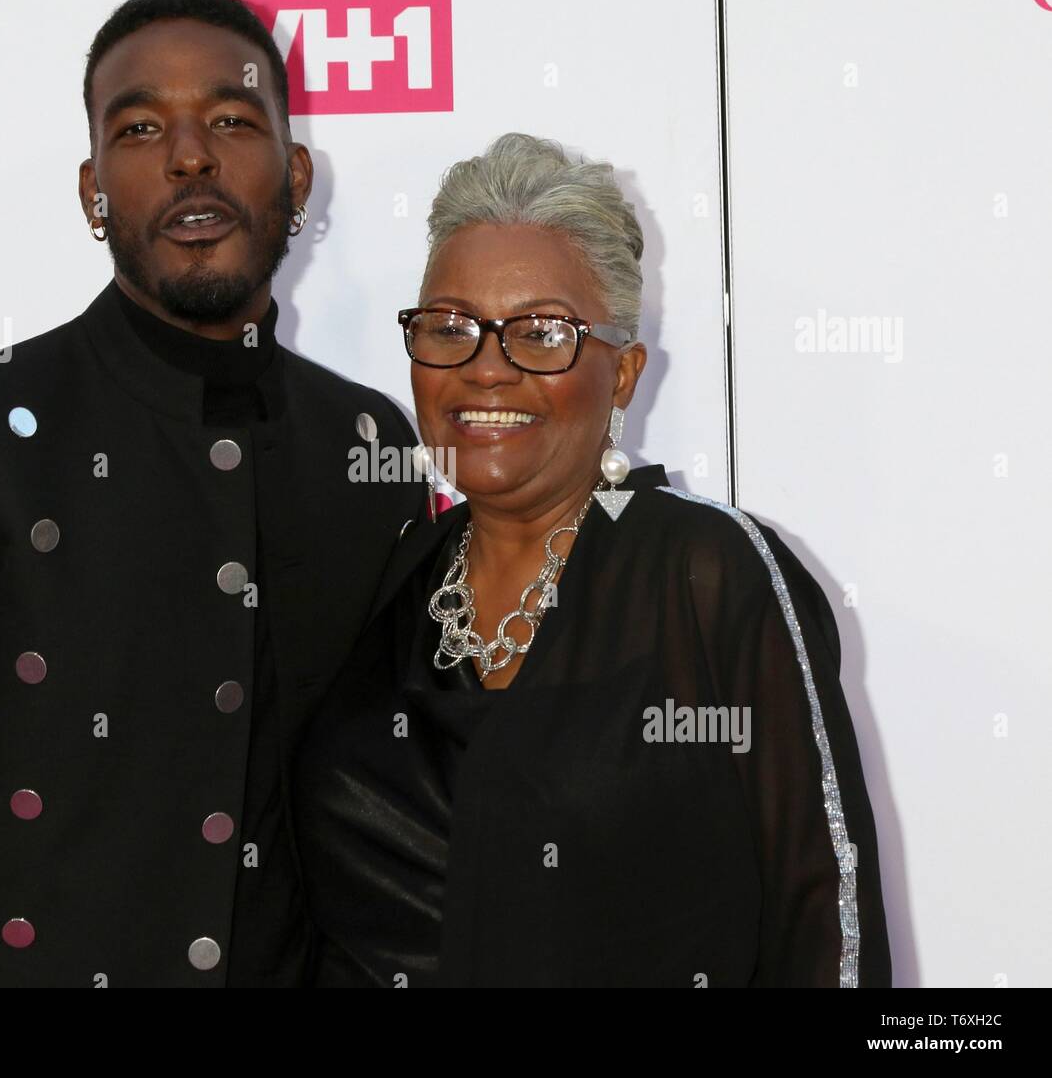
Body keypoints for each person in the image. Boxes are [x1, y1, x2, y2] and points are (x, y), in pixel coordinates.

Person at [0, 0, 422, 987]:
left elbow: (386, 807)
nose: (188, 157)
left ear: (296, 176)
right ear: (92, 192)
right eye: (139, 127)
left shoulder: (364, 447)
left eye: (230, 119)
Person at [291, 133, 892, 987]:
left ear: (623, 374)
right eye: (450, 327)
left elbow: (826, 919)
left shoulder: (708, 575)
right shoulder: (387, 581)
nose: (486, 369)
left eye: (542, 334)